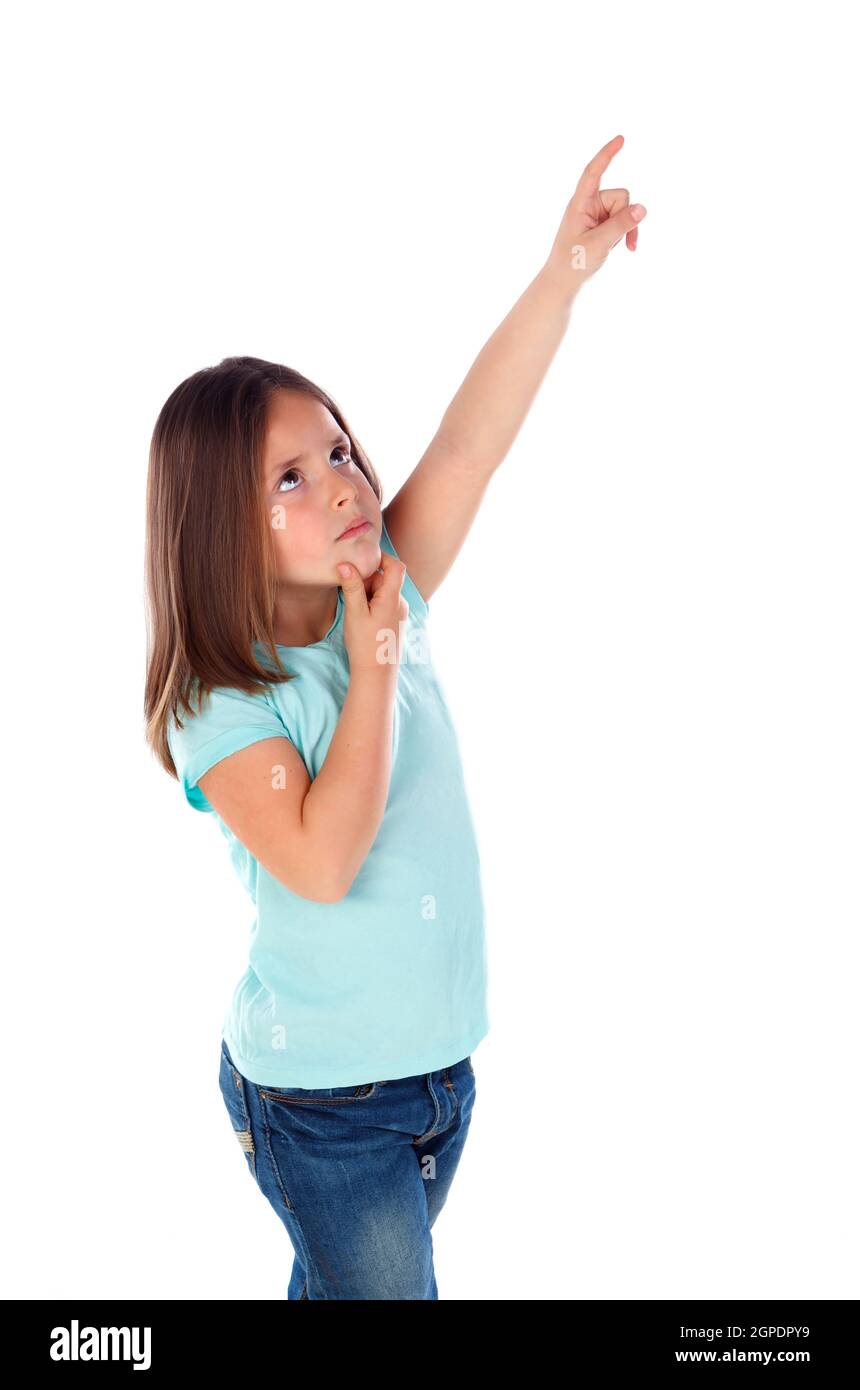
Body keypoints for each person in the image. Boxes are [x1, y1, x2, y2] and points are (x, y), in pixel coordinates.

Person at [143, 134, 646, 1299]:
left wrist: (562, 270)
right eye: (289, 479)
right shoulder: (225, 704)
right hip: (323, 1103)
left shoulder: (376, 594)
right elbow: (321, 861)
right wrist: (374, 664)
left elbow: (469, 446)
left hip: (437, 1075)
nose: (340, 480)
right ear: (219, 528)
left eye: (335, 449)